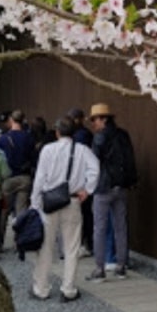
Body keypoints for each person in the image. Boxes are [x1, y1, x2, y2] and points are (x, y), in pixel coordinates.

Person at [29, 116, 99, 302]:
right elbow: (95, 169)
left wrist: (34, 203)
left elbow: (40, 178)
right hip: (73, 200)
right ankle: (68, 289)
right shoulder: (82, 150)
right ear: (74, 132)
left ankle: (41, 288)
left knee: (46, 246)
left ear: (57, 131)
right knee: (72, 246)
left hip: (49, 202)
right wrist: (87, 190)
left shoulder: (47, 149)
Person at [86, 102, 138, 283]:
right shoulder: (123, 135)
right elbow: (130, 159)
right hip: (121, 187)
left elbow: (93, 164)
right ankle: (121, 266)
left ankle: (99, 269)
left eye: (95, 120)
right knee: (120, 226)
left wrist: (88, 186)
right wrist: (131, 181)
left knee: (99, 228)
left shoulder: (99, 138)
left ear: (104, 119)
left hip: (103, 188)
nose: (93, 123)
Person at [0, 109, 36, 219]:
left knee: (4, 210)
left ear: (11, 120)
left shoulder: (3, 139)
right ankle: (21, 235)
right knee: (22, 211)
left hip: (8, 177)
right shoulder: (29, 137)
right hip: (25, 177)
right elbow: (33, 158)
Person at [68, 107, 94, 254]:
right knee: (84, 213)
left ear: (78, 119)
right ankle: (86, 243)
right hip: (83, 177)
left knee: (83, 213)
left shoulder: (81, 136)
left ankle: (86, 243)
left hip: (82, 179)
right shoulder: (83, 134)